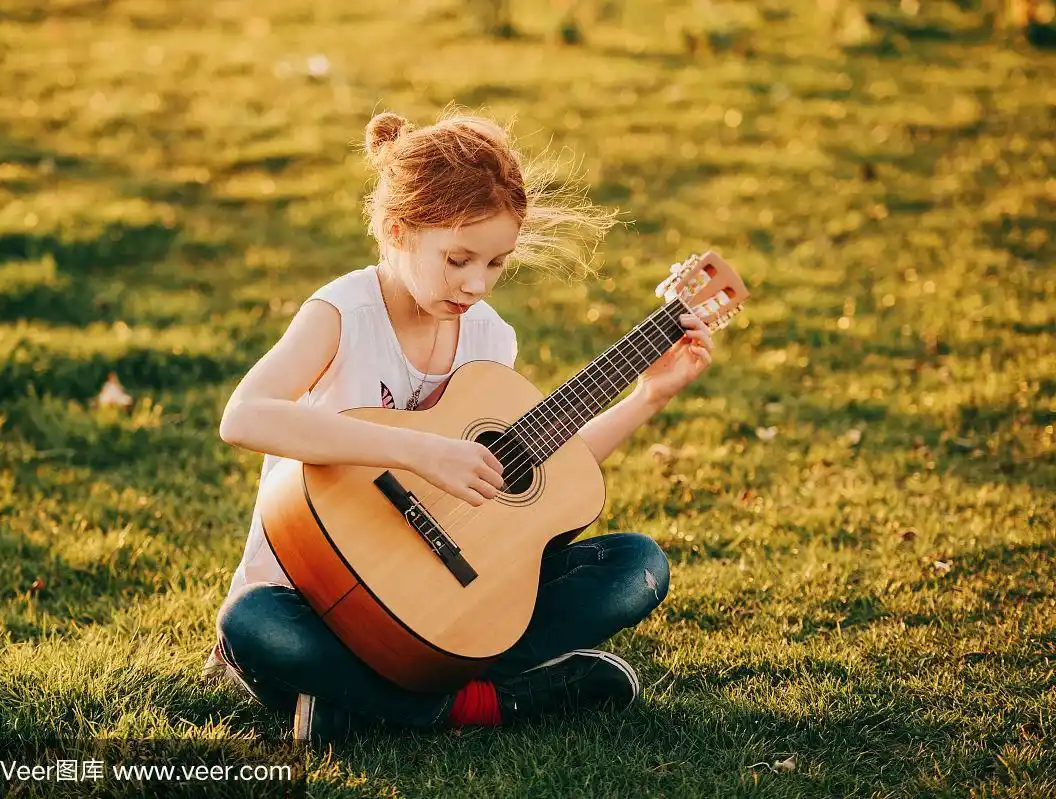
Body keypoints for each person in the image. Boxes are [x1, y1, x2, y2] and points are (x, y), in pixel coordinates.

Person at [205, 108, 716, 746]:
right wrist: (420, 451)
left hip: (444, 596)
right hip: (318, 594)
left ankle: (362, 706)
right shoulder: (341, 314)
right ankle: (479, 703)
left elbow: (542, 468)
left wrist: (649, 395)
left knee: (635, 564)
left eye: (496, 264)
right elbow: (244, 416)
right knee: (252, 623)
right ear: (397, 230)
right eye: (457, 259)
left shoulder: (487, 338)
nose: (475, 283)